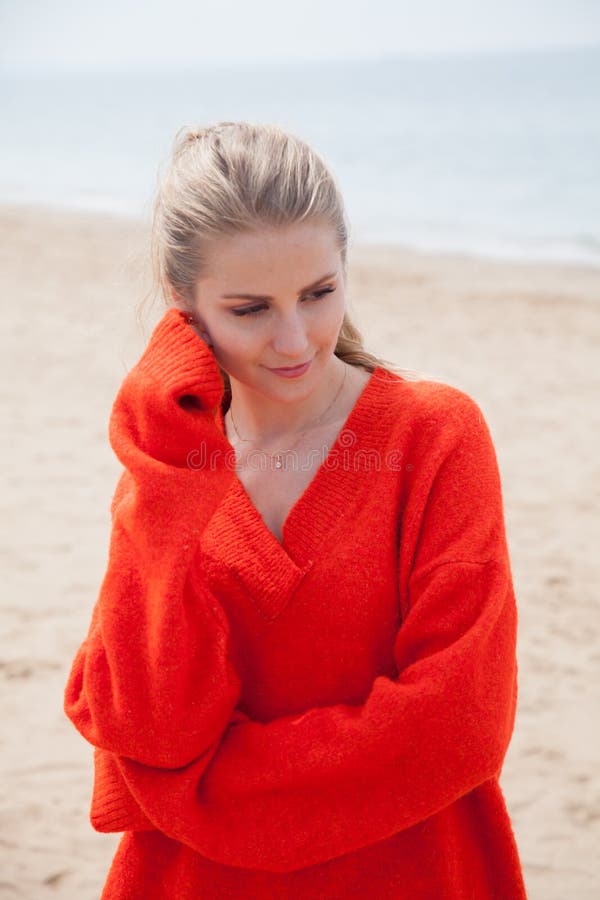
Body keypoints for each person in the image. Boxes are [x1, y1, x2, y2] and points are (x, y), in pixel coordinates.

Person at [63, 121, 528, 899]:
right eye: (249, 309)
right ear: (185, 306)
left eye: (319, 294)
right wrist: (170, 477)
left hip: (416, 875)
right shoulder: (169, 475)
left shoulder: (434, 437)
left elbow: (460, 727)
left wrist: (191, 795)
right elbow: (146, 726)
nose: (295, 340)